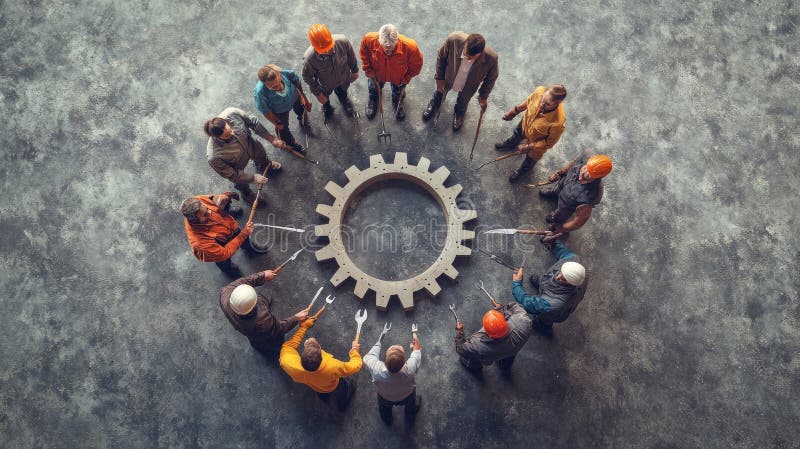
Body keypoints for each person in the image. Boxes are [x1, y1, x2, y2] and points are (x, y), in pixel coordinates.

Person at [204, 107, 284, 206]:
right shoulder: (214, 156)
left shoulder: (232, 113)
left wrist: (272, 139)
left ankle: (264, 165)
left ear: (226, 121)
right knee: (240, 181)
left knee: (261, 155)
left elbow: (253, 123)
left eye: (229, 128)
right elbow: (232, 174)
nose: (231, 133)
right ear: (216, 137)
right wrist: (252, 177)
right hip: (237, 166)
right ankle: (247, 194)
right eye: (227, 136)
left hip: (251, 145)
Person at [279, 318, 362, 411]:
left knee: (322, 392)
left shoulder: (291, 365)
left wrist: (304, 327)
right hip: (333, 385)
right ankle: (343, 403)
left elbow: (288, 347)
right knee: (343, 387)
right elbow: (355, 366)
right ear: (321, 354)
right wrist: (355, 352)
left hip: (317, 387)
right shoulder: (332, 366)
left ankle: (324, 397)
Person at [219, 270, 309, 355]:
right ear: (255, 304)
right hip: (262, 335)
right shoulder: (262, 322)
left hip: (248, 331)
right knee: (274, 340)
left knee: (256, 339)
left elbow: (244, 281)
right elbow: (280, 328)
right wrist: (296, 318)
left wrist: (262, 276)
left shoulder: (225, 294)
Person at [422, 32, 498, 131]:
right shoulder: (453, 40)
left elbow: (491, 78)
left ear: (480, 53)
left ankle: (460, 112)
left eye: (471, 58)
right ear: (465, 44)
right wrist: (439, 78)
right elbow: (441, 56)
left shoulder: (492, 58)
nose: (467, 58)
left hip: (470, 83)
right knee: (440, 91)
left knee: (464, 100)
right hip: (449, 76)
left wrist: (483, 96)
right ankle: (435, 102)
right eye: (466, 54)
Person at [512, 239, 587, 335]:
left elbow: (527, 303)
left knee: (543, 319)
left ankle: (544, 327)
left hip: (554, 312)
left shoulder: (553, 304)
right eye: (561, 272)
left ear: (572, 283)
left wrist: (517, 283)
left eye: (564, 279)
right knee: (547, 289)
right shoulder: (575, 262)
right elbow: (562, 252)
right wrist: (552, 242)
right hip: (554, 298)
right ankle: (543, 289)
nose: (557, 276)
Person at [495, 84, 567, 182]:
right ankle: (510, 144)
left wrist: (529, 146)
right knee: (517, 134)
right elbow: (528, 101)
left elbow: (549, 143)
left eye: (547, 104)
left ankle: (522, 171)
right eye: (542, 99)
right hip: (525, 124)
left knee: (530, 159)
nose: (541, 104)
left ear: (557, 103)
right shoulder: (540, 91)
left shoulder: (558, 123)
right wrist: (513, 112)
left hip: (536, 144)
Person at [539, 151, 612, 237]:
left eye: (590, 174)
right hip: (565, 183)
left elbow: (578, 222)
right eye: (586, 167)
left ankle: (556, 219)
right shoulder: (586, 156)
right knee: (558, 187)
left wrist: (562, 228)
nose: (583, 172)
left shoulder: (591, 196)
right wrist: (560, 173)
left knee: (561, 214)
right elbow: (573, 162)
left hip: (566, 206)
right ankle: (553, 193)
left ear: (599, 177)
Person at [360, 24, 423, 121]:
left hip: (398, 77)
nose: (388, 53)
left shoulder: (411, 47)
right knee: (373, 88)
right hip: (377, 73)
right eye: (385, 49)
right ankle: (373, 99)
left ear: (397, 40)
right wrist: (368, 69)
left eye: (391, 49)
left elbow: (416, 66)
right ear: (379, 41)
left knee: (398, 91)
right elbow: (363, 52)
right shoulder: (369, 40)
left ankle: (397, 101)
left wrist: (406, 78)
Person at [181, 192, 252, 277]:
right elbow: (224, 253)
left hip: (228, 227)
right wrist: (244, 234)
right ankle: (228, 269)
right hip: (216, 244)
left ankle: (247, 247)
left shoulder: (197, 201)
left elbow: (211, 198)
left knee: (238, 233)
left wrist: (224, 197)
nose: (210, 213)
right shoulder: (201, 243)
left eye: (207, 209)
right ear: (194, 220)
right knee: (223, 260)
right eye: (205, 215)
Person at [363, 325, 422, 424]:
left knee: (384, 409)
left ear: (385, 360)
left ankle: (387, 419)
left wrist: (381, 337)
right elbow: (417, 349)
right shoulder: (410, 367)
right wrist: (414, 334)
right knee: (411, 404)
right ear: (404, 361)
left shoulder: (377, 368)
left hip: (385, 397)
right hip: (407, 396)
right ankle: (410, 416)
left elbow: (367, 357)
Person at [454, 304, 532, 375]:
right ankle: (505, 365)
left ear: (488, 333)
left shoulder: (478, 346)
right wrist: (502, 309)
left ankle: (475, 367)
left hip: (490, 356)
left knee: (473, 358)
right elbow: (516, 307)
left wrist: (459, 332)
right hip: (514, 348)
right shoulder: (524, 322)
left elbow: (461, 349)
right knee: (508, 356)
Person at [302, 23, 360, 118]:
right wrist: (318, 93)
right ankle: (327, 107)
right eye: (323, 50)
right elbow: (307, 76)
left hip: (344, 78)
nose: (327, 51)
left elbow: (351, 56)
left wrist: (355, 71)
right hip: (325, 85)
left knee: (342, 92)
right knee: (325, 98)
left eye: (329, 47)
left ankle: (344, 100)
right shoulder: (309, 59)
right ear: (313, 45)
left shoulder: (343, 41)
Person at [254, 64, 313, 154]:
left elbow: (297, 83)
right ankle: (291, 143)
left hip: (294, 97)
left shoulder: (286, 73)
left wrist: (304, 98)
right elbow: (265, 111)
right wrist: (276, 123)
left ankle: (303, 121)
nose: (279, 88)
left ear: (279, 74)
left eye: (279, 83)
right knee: (283, 129)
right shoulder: (260, 93)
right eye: (274, 87)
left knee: (301, 110)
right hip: (279, 110)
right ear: (265, 84)